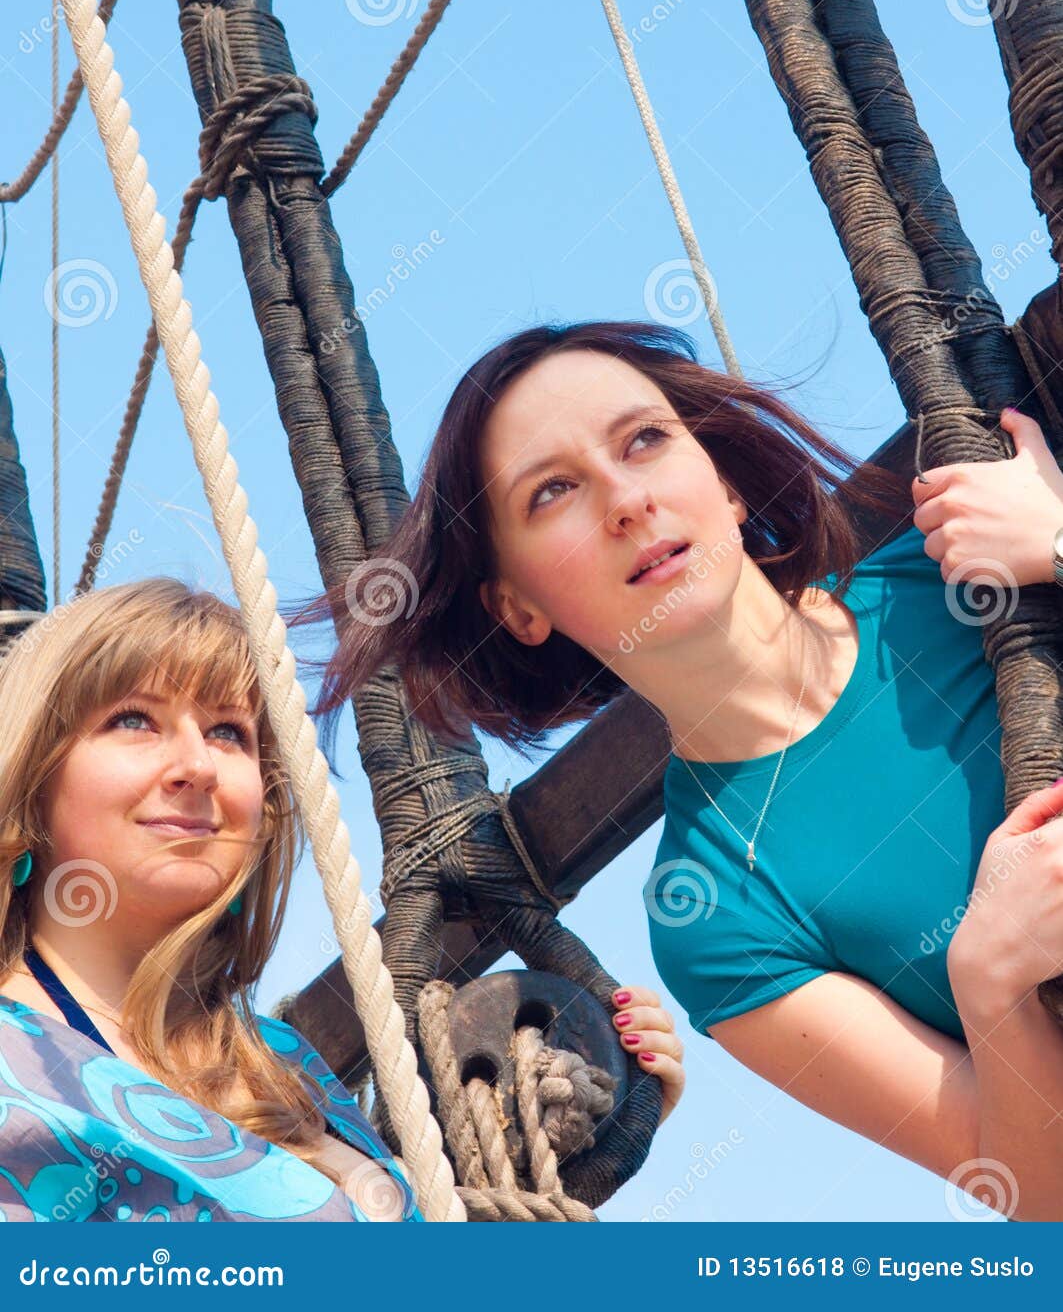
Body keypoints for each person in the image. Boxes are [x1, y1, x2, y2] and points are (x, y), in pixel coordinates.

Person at [310, 317, 1063, 1222]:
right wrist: (991, 988)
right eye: (553, 491)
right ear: (518, 607)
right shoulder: (714, 912)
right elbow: (1034, 1199)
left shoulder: (971, 562)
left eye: (644, 441)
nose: (625, 501)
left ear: (725, 484)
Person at [0, 578, 422, 1222]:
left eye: (228, 732)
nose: (198, 766)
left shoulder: (287, 1064)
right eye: (134, 720)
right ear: (31, 782)